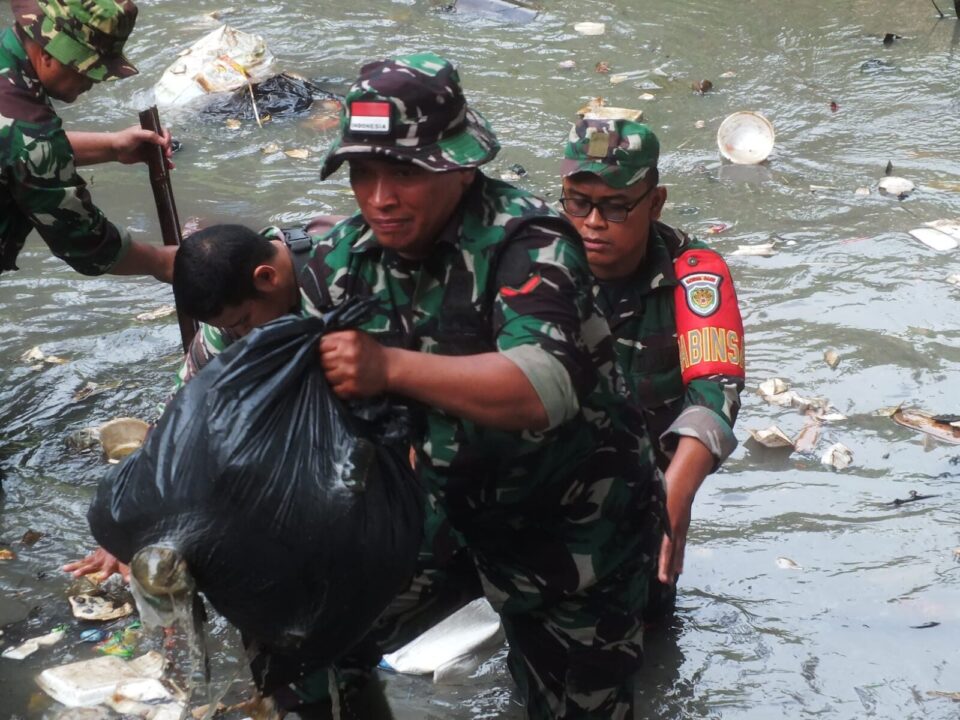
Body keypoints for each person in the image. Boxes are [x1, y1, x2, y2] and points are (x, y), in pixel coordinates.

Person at [287, 52, 664, 720]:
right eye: (362, 174)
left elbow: (542, 385)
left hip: (572, 525)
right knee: (303, 634)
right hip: (442, 510)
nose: (380, 198)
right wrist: (155, 506)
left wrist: (388, 368)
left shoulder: (532, 243)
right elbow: (233, 313)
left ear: (457, 168)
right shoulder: (347, 256)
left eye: (402, 173)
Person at [62, 219, 340, 581]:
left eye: (243, 323)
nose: (241, 335)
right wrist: (129, 527)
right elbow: (179, 422)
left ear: (267, 278)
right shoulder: (226, 324)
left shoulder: (348, 268)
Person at [559, 117, 745, 621]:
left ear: (655, 203)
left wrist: (674, 499)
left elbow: (715, 395)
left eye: (615, 206)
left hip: (642, 502)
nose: (593, 222)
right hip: (541, 489)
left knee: (642, 638)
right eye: (579, 203)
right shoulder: (536, 262)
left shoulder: (694, 274)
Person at [1, 0, 174, 282]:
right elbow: (88, 246)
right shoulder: (31, 134)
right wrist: (165, 262)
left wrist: (113, 146)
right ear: (48, 53)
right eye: (87, 70)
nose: (93, 83)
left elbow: (13, 148)